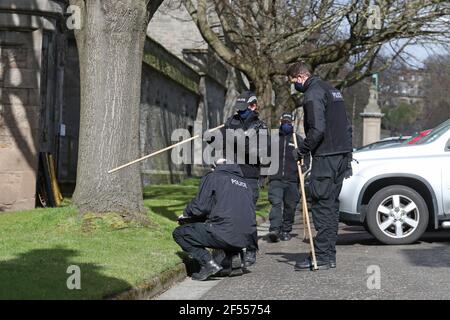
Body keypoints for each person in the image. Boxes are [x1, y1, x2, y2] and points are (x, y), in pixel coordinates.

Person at [286, 61, 353, 271]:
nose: (293, 86)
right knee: (331, 206)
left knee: (322, 206)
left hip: (326, 157)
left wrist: (302, 150)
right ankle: (328, 255)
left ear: (299, 77)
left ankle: (322, 257)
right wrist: (348, 156)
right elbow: (347, 126)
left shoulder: (313, 94)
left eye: (293, 82)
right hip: (341, 156)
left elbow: (317, 130)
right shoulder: (333, 90)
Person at [172, 161, 257, 281]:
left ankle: (208, 264)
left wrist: (186, 214)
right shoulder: (246, 184)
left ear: (214, 166)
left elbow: (200, 207)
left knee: (180, 233)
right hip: (247, 238)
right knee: (226, 225)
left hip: (226, 233)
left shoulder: (214, 176)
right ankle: (233, 257)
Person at [221, 91, 269, 266]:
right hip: (230, 173)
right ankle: (232, 251)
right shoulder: (230, 123)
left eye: (244, 109)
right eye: (238, 109)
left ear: (253, 106)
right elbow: (221, 144)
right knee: (229, 214)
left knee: (247, 216)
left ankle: (250, 249)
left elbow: (261, 154)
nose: (240, 112)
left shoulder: (260, 127)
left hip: (249, 176)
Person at [266, 112, 302, 242]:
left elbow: (306, 158)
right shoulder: (274, 139)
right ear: (280, 122)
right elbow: (266, 157)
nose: (286, 124)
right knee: (276, 203)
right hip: (276, 179)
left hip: (292, 180)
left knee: (290, 206)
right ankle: (274, 229)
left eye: (288, 122)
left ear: (291, 123)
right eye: (284, 122)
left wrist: (303, 168)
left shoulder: (297, 140)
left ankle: (286, 230)